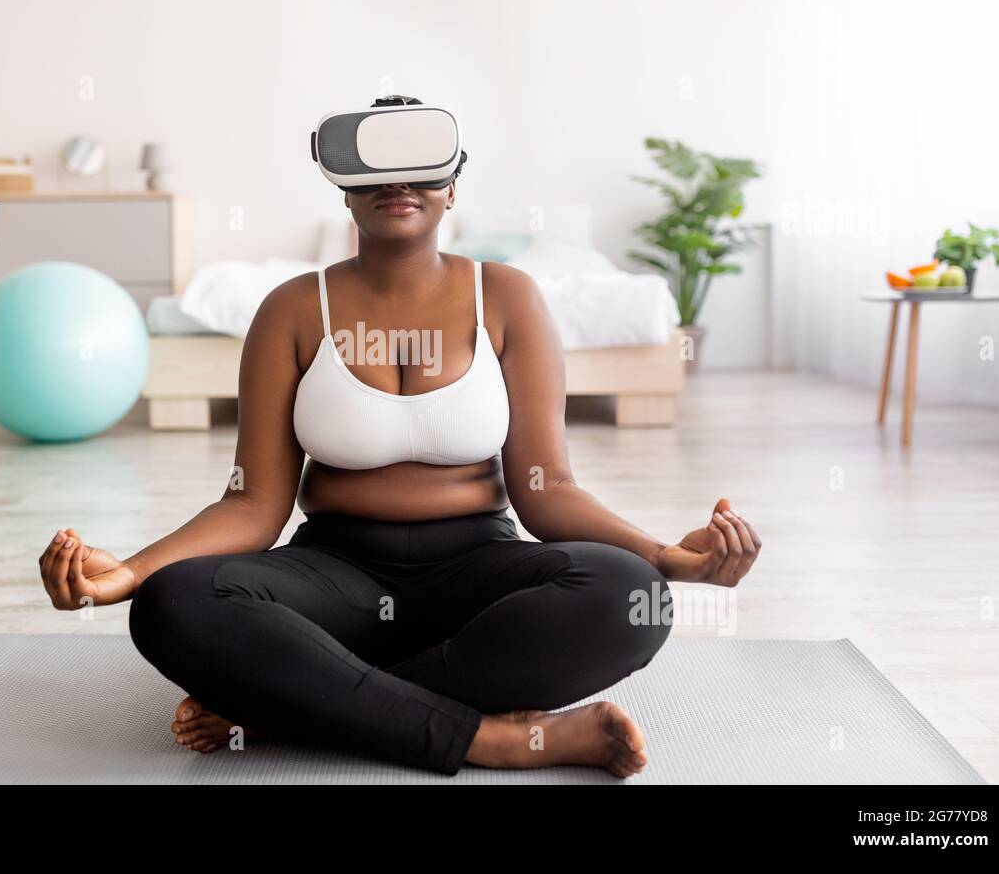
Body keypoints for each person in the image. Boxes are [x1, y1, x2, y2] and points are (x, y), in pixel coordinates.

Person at [38, 100, 762, 777]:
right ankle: (495, 739)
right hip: (334, 580)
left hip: (477, 575)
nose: (400, 185)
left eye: (422, 167)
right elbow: (253, 505)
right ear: (346, 190)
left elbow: (550, 493)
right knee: (172, 605)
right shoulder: (291, 310)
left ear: (453, 186)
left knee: (630, 594)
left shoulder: (509, 298)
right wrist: (130, 572)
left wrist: (669, 558)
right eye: (376, 170)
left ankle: (295, 709)